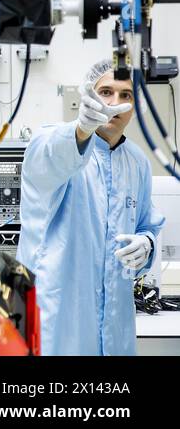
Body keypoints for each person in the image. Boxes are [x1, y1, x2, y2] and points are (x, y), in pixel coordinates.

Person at [17, 59, 166, 355]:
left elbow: (146, 224)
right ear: (88, 97)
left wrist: (146, 244)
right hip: (59, 319)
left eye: (126, 95)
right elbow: (49, 162)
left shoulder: (137, 161)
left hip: (115, 323)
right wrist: (81, 130)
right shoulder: (51, 141)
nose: (114, 103)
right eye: (105, 92)